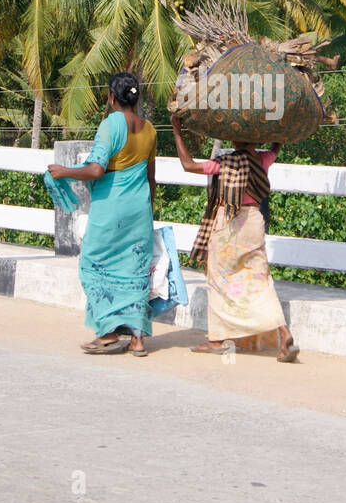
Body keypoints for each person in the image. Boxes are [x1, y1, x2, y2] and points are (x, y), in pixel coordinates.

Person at [170, 111, 300, 363]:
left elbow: (188, 165)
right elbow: (276, 147)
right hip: (253, 222)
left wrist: (177, 131)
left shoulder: (225, 163)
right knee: (260, 280)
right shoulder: (263, 159)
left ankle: (216, 339)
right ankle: (284, 334)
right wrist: (280, 129)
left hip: (229, 225)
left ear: (232, 139)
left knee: (219, 279)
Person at [46, 73, 156, 356]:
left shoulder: (111, 125)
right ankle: (137, 339)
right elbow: (151, 178)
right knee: (134, 271)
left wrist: (64, 171)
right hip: (140, 209)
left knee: (92, 265)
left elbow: (96, 170)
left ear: (111, 97)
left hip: (111, 208)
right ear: (137, 97)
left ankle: (107, 333)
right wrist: (146, 211)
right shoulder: (150, 130)